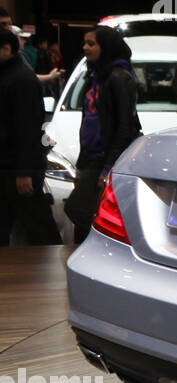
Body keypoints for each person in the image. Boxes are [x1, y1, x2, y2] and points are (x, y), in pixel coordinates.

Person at [64, 26, 142, 243]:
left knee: (78, 209)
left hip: (104, 158)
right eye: (84, 43)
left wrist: (109, 165)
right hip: (90, 157)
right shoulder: (94, 76)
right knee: (85, 214)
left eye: (91, 43)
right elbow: (89, 121)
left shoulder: (118, 78)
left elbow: (124, 126)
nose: (85, 47)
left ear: (105, 46)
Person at [0, 27, 61, 245]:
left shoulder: (21, 79)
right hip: (9, 165)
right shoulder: (9, 74)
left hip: (18, 168)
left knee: (38, 225)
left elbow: (27, 128)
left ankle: (54, 269)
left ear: (6, 49)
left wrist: (23, 171)